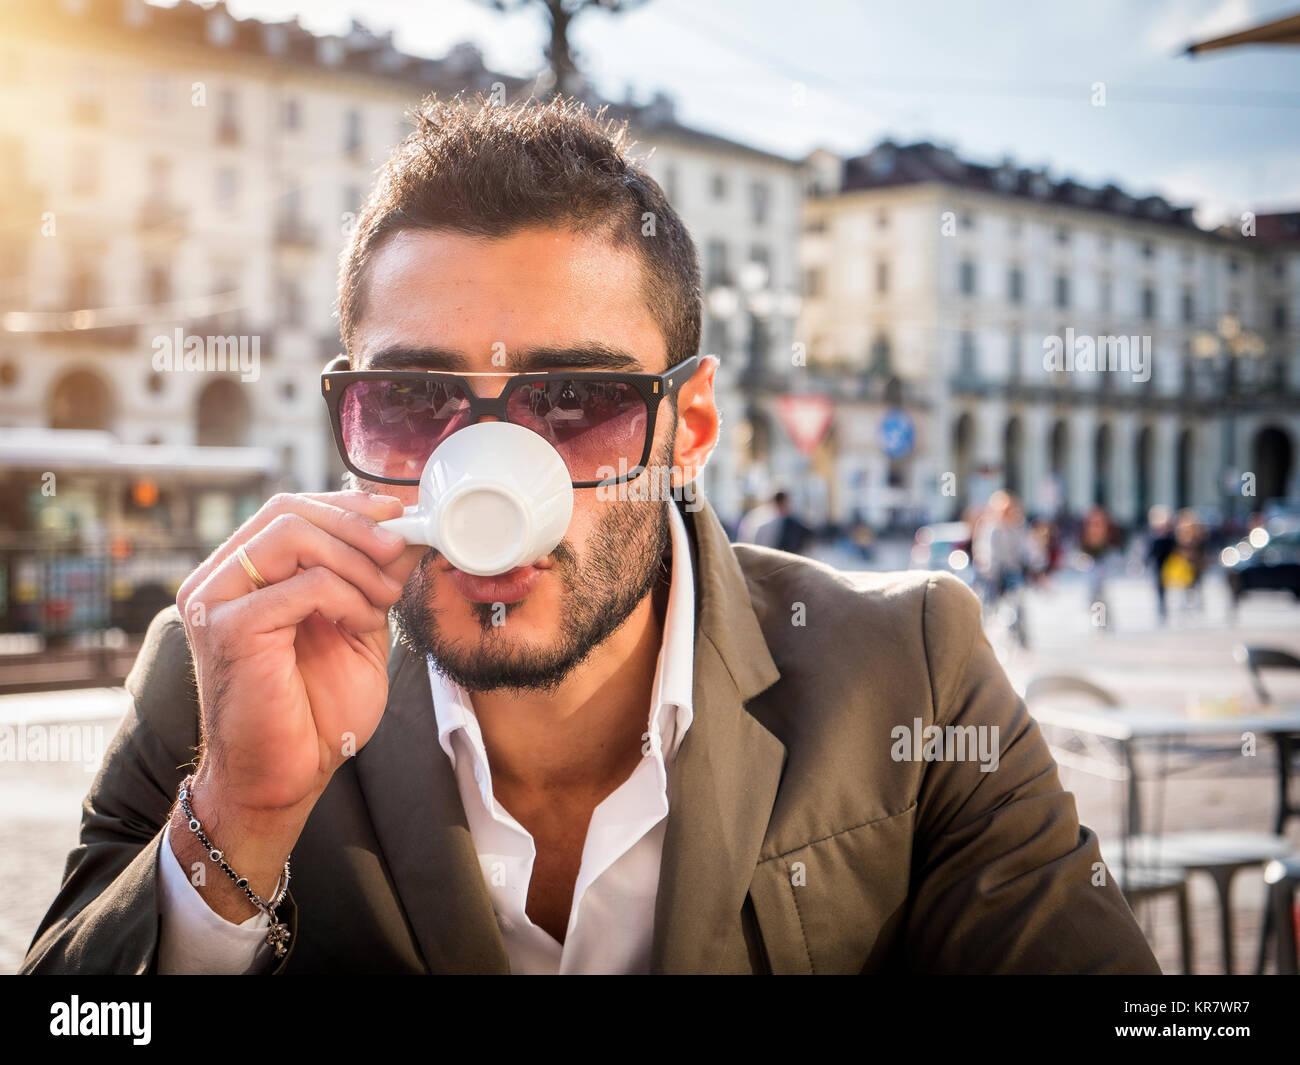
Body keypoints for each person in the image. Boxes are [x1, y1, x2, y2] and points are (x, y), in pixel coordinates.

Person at [22, 96, 1158, 975]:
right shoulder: (218, 678)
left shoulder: (907, 673)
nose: (490, 472)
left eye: (576, 403)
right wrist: (235, 826)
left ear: (689, 425)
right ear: (349, 412)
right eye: (414, 403)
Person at [1144, 505, 1176, 624]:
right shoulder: (1155, 535)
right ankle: (1163, 608)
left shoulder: (1171, 535)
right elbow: (1151, 551)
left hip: (1171, 565)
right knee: (1160, 588)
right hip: (1159, 565)